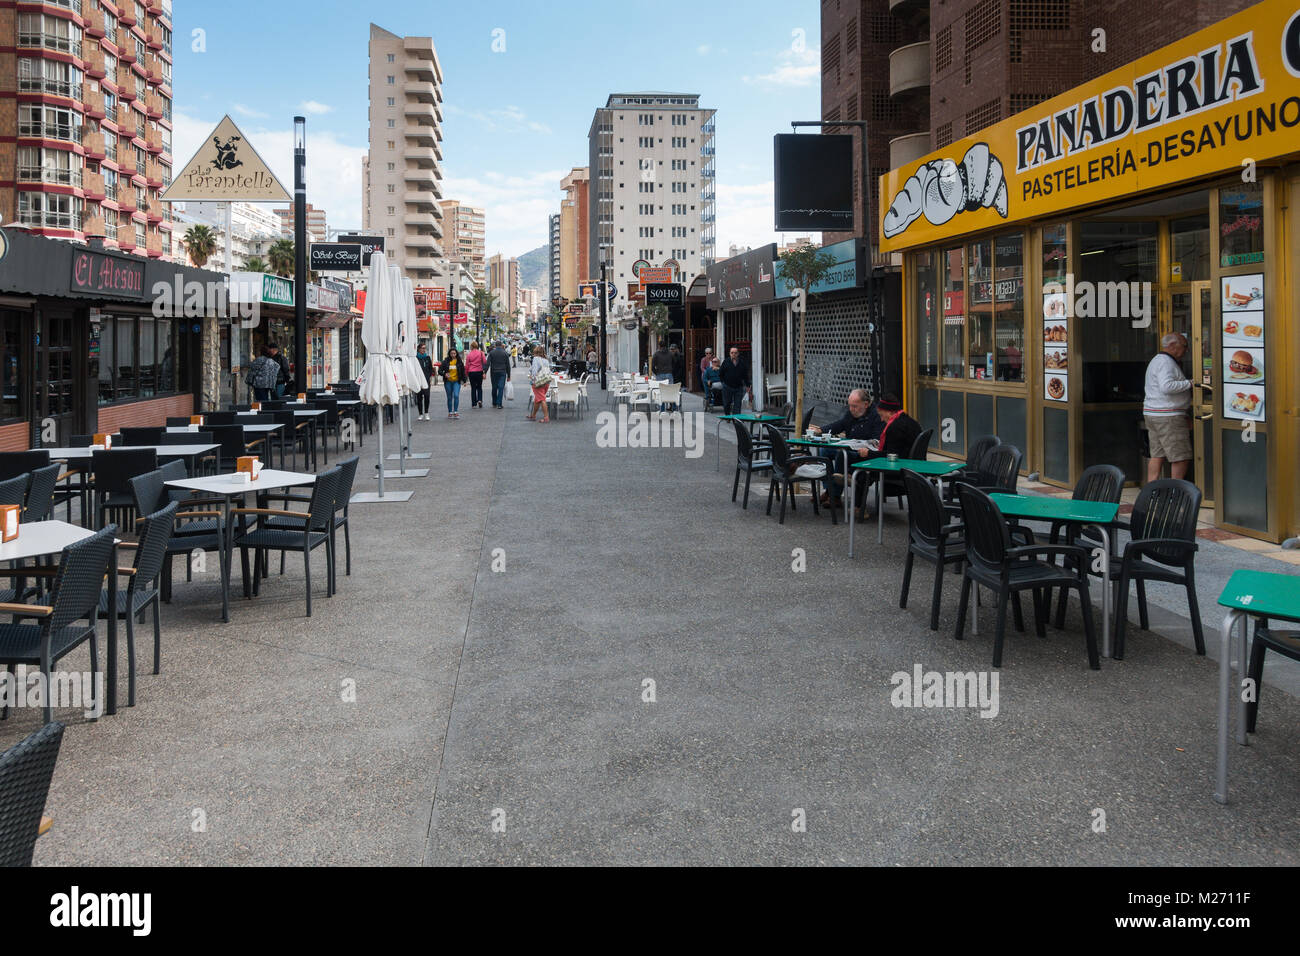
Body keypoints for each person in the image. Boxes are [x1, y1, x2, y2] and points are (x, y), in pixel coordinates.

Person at [825, 394, 920, 514]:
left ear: (889, 412)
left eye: (882, 415)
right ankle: (848, 478)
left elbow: (891, 455)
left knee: (863, 467)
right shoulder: (910, 422)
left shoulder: (895, 427)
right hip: (909, 463)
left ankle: (857, 504)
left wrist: (869, 453)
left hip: (899, 467)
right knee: (850, 456)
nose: (881, 419)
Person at [1144, 331, 1194, 482]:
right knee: (1180, 457)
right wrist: (1190, 383)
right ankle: (1175, 493)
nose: (1186, 350)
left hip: (1154, 413)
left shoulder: (1157, 360)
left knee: (1157, 455)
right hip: (1168, 416)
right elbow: (1167, 387)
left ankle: (1151, 491)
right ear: (1172, 345)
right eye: (1184, 346)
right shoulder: (1166, 363)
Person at [718, 347, 751, 415]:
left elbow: (745, 375)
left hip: (738, 387)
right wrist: (723, 383)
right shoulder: (726, 361)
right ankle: (727, 416)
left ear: (738, 354)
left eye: (735, 353)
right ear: (729, 354)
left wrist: (748, 385)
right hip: (727, 386)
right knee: (727, 403)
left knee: (738, 404)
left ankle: (736, 419)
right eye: (732, 353)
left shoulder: (742, 363)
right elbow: (720, 373)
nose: (733, 354)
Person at [528, 347, 552, 423]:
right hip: (546, 381)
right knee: (537, 399)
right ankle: (533, 415)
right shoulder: (546, 360)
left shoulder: (536, 359)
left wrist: (532, 380)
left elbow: (534, 371)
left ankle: (546, 417)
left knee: (541, 399)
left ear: (536, 352)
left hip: (538, 382)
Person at [439, 347, 464, 419]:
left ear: (456, 354)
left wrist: (464, 381)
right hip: (448, 382)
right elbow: (440, 371)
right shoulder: (446, 361)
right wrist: (444, 374)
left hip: (456, 381)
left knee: (456, 395)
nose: (453, 355)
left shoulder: (459, 361)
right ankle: (450, 412)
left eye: (454, 353)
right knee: (449, 397)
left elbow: (462, 371)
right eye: (451, 353)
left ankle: (455, 412)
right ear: (449, 354)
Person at [487, 340, 511, 409]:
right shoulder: (505, 353)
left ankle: (494, 403)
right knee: (501, 388)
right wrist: (509, 375)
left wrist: (484, 372)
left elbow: (488, 363)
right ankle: (499, 404)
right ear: (501, 345)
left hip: (494, 372)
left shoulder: (491, 353)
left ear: (495, 345)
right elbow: (508, 365)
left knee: (494, 388)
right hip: (502, 372)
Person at [415, 344, 434, 420]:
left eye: (425, 348)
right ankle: (420, 414)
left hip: (426, 380)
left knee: (427, 396)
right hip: (418, 380)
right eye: (422, 348)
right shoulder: (415, 358)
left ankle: (426, 413)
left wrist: (428, 375)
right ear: (418, 349)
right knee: (419, 397)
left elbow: (430, 368)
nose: (424, 350)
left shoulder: (427, 358)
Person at [464, 341, 486, 408]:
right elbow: (485, 362)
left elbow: (467, 365)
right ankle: (479, 400)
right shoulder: (481, 353)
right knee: (479, 387)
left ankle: (474, 404)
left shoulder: (469, 354)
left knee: (473, 388)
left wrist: (466, 373)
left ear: (471, 346)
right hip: (479, 371)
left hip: (471, 372)